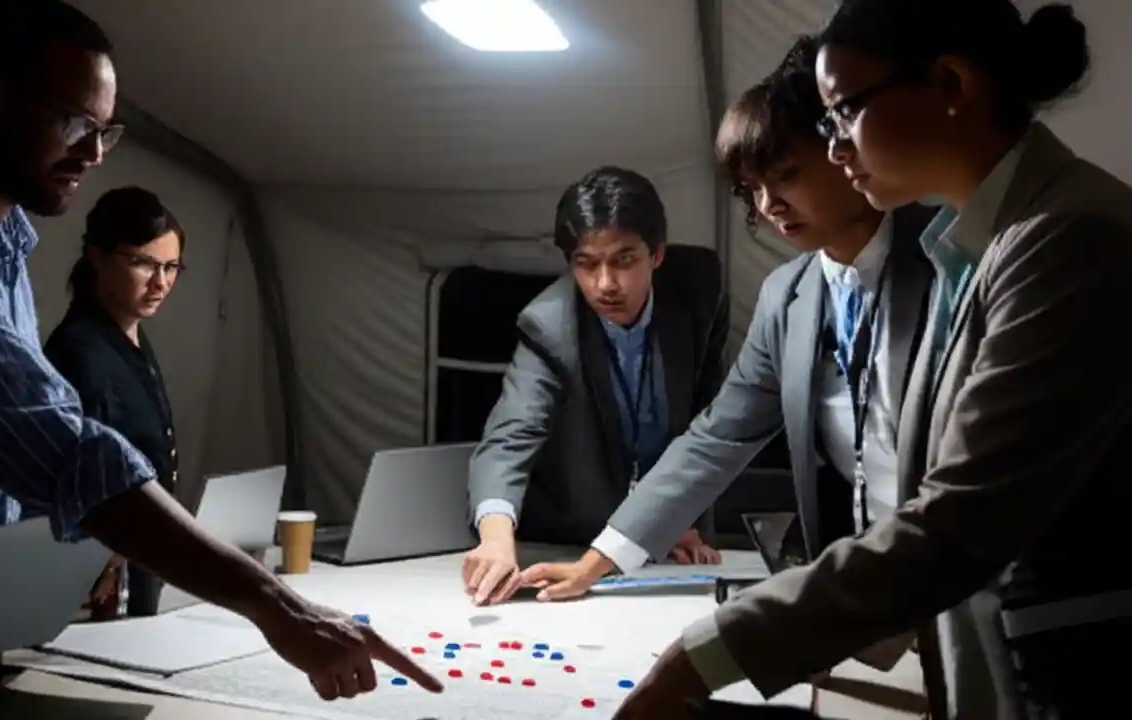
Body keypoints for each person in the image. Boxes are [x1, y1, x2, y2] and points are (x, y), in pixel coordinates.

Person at [0, 0, 439, 709]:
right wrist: (276, 606)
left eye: (106, 132)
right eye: (74, 123)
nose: (94, 155)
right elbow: (62, 450)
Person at [614, 2, 1132, 719]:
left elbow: (959, 521)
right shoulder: (980, 246)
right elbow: (721, 433)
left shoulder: (1069, 238)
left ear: (950, 86)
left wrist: (708, 652)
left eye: (842, 115)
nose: (835, 149)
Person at [520, 35, 935, 630]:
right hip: (875, 581)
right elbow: (716, 440)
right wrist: (598, 561)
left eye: (786, 175)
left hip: (980, 570)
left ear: (847, 152)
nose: (770, 205)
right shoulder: (786, 296)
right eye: (751, 189)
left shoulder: (950, 256)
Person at [464, 166, 730, 605]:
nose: (605, 284)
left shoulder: (698, 289)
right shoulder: (548, 323)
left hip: (666, 542)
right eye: (586, 264)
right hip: (566, 538)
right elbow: (510, 436)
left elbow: (707, 420)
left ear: (657, 254)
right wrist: (494, 538)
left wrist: (676, 515)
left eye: (624, 260)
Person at [44, 187, 189, 619]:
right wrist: (108, 559)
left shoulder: (130, 335)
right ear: (97, 257)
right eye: (143, 263)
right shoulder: (80, 351)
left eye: (171, 267)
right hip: (99, 575)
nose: (160, 282)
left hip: (141, 558)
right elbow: (76, 480)